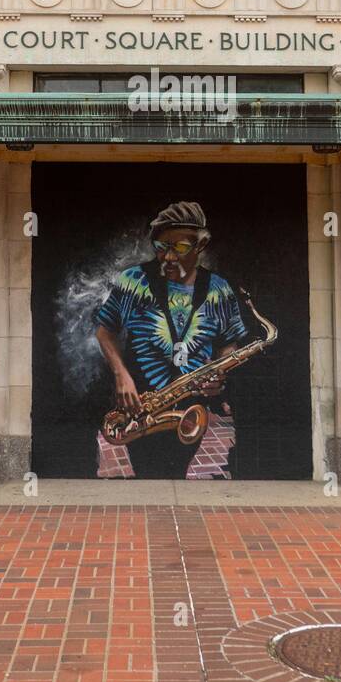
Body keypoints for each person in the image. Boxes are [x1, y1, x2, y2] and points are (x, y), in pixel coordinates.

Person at [95, 200, 247, 478]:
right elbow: (105, 331)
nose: (168, 257)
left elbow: (229, 341)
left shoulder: (219, 290)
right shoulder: (132, 280)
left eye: (180, 247)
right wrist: (121, 375)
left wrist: (220, 373)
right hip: (139, 405)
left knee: (176, 471)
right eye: (162, 247)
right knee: (148, 474)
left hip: (192, 404)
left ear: (201, 245)